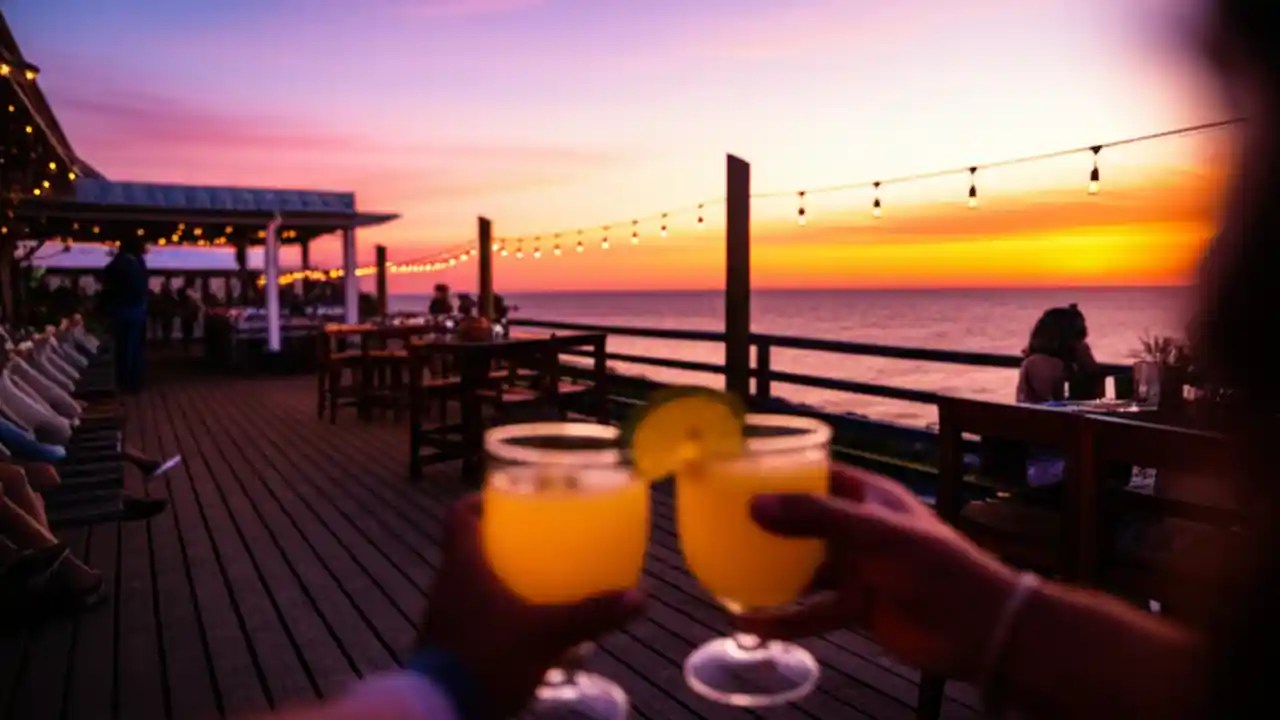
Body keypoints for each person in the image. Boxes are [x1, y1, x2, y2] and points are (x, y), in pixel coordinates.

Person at [1016, 304, 1102, 404]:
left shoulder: (1068, 362)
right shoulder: (1038, 362)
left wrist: (1088, 367)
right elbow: (1051, 402)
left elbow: (1094, 391)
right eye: (1077, 335)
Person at [101, 238, 149, 393]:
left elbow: (106, 276)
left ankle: (125, 380)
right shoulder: (137, 263)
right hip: (135, 308)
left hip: (123, 308)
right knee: (133, 346)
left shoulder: (121, 261)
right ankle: (133, 380)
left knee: (124, 345)